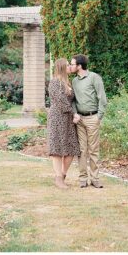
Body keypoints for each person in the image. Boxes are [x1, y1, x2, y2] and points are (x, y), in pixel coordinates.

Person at [69, 54, 107, 189]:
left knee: (93, 150)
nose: (70, 66)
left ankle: (95, 179)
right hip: (79, 119)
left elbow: (102, 98)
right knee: (82, 150)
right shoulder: (74, 81)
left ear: (79, 66)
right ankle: (83, 179)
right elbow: (72, 100)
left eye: (72, 64)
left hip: (92, 118)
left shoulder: (94, 78)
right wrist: (75, 113)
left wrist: (99, 116)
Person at [46, 58, 80, 189]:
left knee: (71, 148)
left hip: (68, 119)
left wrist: (74, 113)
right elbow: (60, 101)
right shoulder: (55, 82)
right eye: (67, 65)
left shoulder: (68, 82)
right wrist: (74, 113)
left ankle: (62, 175)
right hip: (57, 118)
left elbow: (71, 101)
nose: (70, 67)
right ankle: (58, 178)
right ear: (61, 67)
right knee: (57, 149)